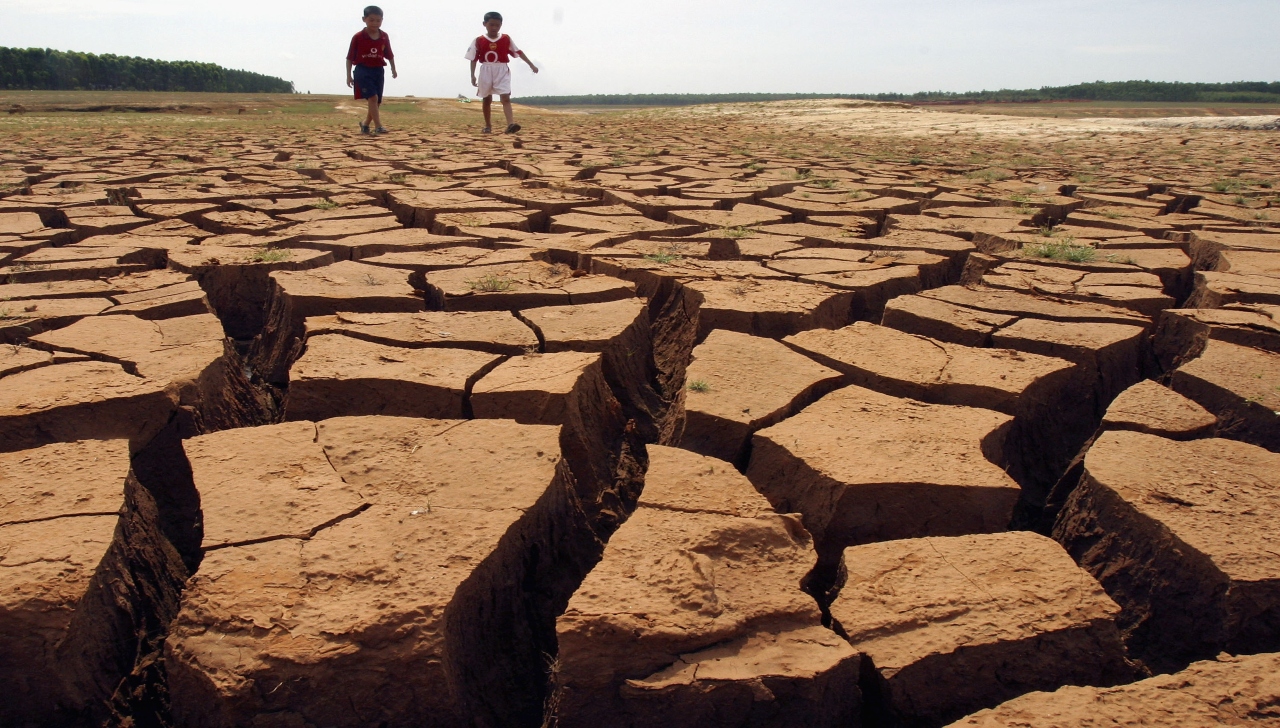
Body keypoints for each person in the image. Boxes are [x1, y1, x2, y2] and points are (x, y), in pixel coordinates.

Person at [465, 11, 538, 134]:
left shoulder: (505, 38)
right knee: (487, 99)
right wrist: (472, 75)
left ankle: (510, 124)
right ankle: (488, 125)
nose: (494, 28)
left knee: (505, 97)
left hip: (502, 69)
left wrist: (531, 64)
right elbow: (473, 58)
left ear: (501, 25)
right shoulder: (479, 40)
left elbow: (518, 52)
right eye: (491, 25)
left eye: (497, 25)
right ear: (484, 24)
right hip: (486, 69)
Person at [346, 5, 398, 135]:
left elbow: (389, 54)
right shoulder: (358, 37)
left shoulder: (384, 36)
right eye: (371, 20)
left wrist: (393, 69)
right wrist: (348, 75)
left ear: (382, 20)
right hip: (363, 70)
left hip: (378, 70)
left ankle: (365, 124)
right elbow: (349, 57)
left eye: (378, 20)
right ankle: (378, 126)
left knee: (376, 101)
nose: (375, 23)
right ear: (364, 19)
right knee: (373, 98)